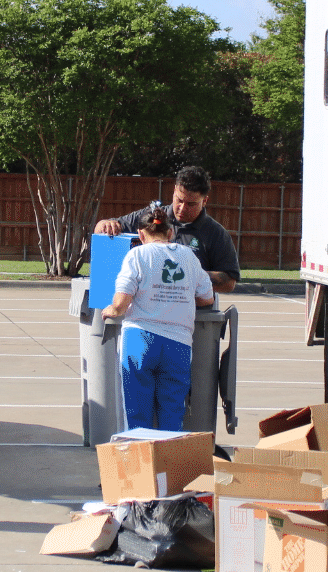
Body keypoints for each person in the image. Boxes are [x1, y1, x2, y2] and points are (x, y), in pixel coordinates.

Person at [102, 207, 216, 432]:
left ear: (141, 235)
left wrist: (112, 310)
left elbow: (122, 301)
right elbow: (207, 297)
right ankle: (167, 465)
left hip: (140, 339)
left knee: (137, 413)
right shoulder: (189, 257)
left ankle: (141, 464)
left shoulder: (137, 254)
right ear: (171, 233)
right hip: (179, 343)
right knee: (173, 413)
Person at [93, 165, 241, 293]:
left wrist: (186, 275)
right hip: (149, 312)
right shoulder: (153, 217)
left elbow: (229, 282)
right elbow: (106, 227)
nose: (182, 208)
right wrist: (105, 225)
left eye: (191, 204)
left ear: (205, 201)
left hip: (193, 314)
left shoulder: (215, 233)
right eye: (179, 200)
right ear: (174, 191)